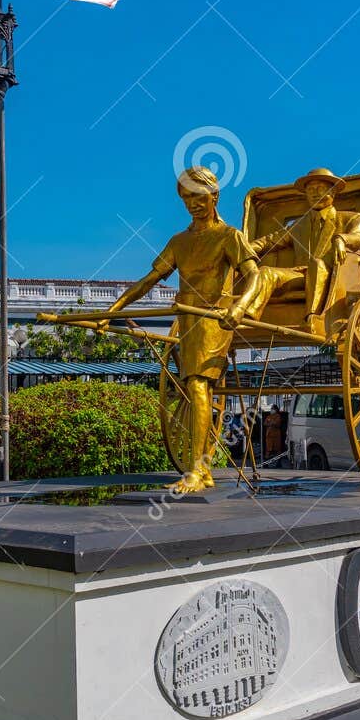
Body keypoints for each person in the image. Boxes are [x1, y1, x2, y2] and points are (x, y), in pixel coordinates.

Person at [106, 166, 259, 494]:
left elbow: (254, 276)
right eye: (187, 198)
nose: (193, 204)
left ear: (214, 196)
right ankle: (204, 470)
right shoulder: (179, 241)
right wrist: (113, 310)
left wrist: (240, 306)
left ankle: (196, 472)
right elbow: (149, 280)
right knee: (195, 388)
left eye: (199, 197)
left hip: (215, 318)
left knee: (198, 385)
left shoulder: (229, 236)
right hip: (188, 319)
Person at [239, 167, 360, 321]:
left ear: (332, 192)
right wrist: (242, 249)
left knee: (317, 264)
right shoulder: (299, 225)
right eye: (310, 190)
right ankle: (248, 318)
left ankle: (313, 318)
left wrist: (342, 239)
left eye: (320, 188)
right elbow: (270, 241)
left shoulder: (351, 218)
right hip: (299, 275)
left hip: (333, 275)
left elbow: (359, 237)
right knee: (265, 272)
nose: (315, 193)